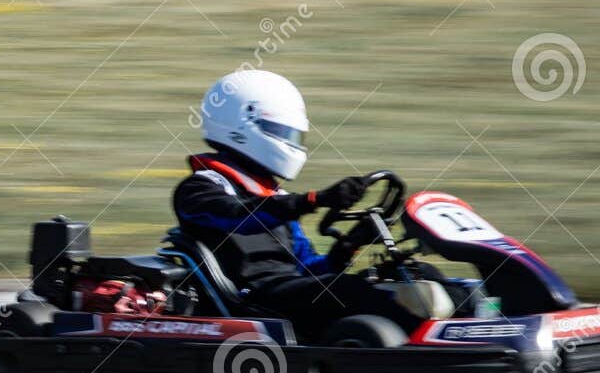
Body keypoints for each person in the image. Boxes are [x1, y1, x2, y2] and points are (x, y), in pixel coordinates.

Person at [173, 69, 421, 340]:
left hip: (293, 291)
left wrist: (349, 245)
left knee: (410, 276)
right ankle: (423, 345)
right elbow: (240, 217)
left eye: (293, 135)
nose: (290, 143)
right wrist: (315, 200)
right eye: (281, 132)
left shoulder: (276, 197)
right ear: (241, 128)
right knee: (351, 291)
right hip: (255, 298)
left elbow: (310, 270)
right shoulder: (198, 189)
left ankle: (447, 330)